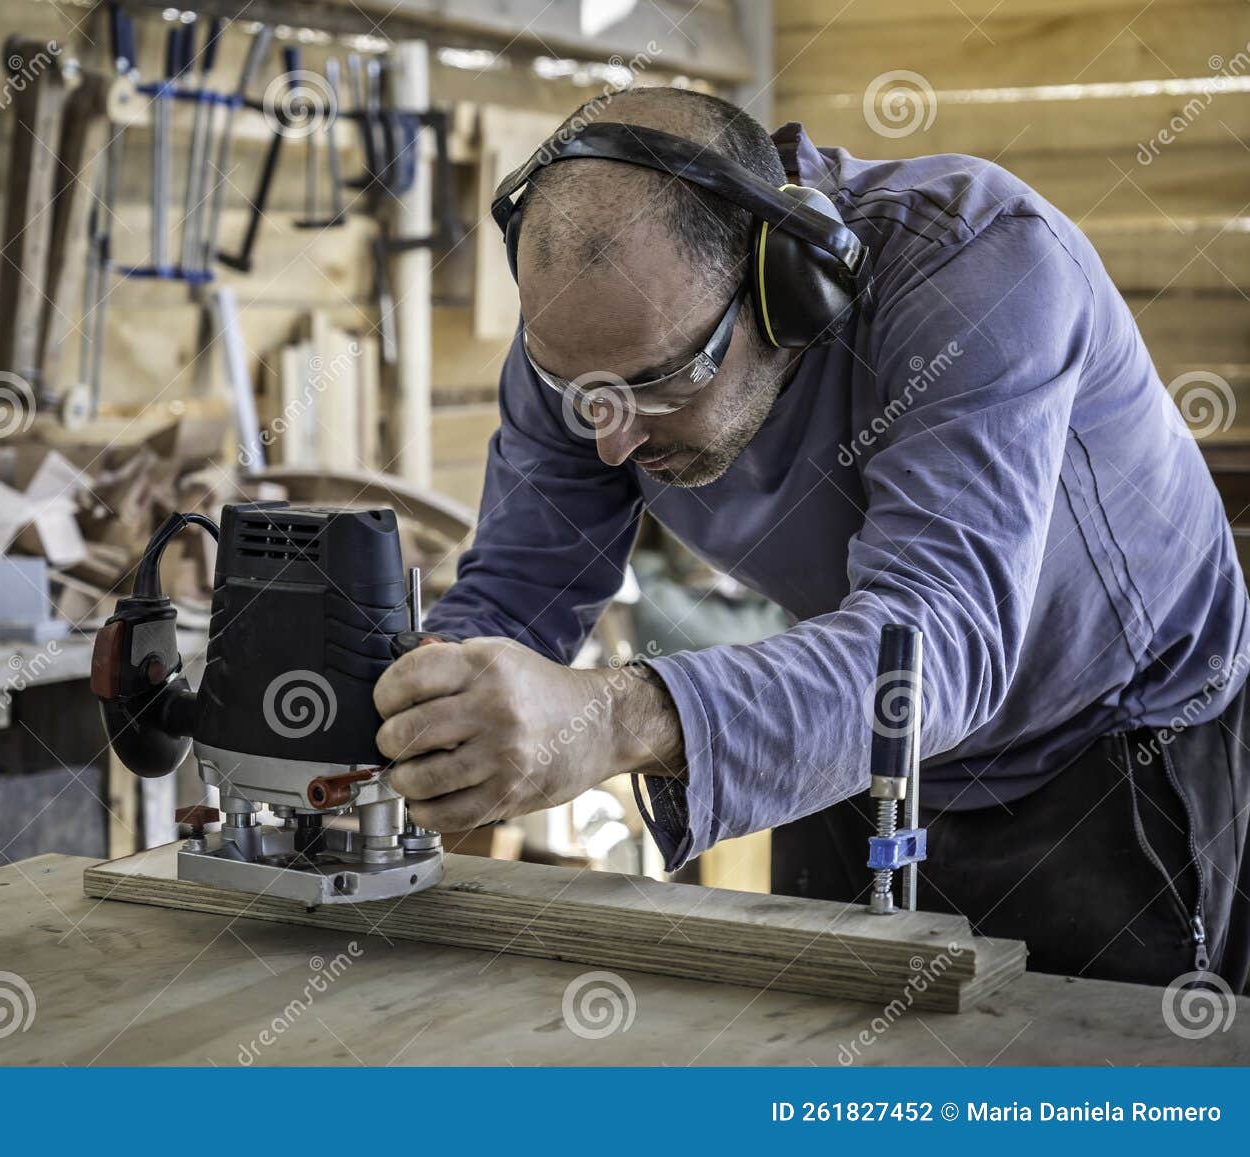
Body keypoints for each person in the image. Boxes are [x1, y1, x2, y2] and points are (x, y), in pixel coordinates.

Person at [371, 87, 1250, 991]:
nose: (611, 440)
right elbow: (519, 591)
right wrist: (418, 704)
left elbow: (939, 646)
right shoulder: (595, 349)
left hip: (1114, 739)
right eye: (578, 395)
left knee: (1089, 1090)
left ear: (790, 286)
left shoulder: (985, 265)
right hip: (852, 732)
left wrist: (616, 720)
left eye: (663, 382)